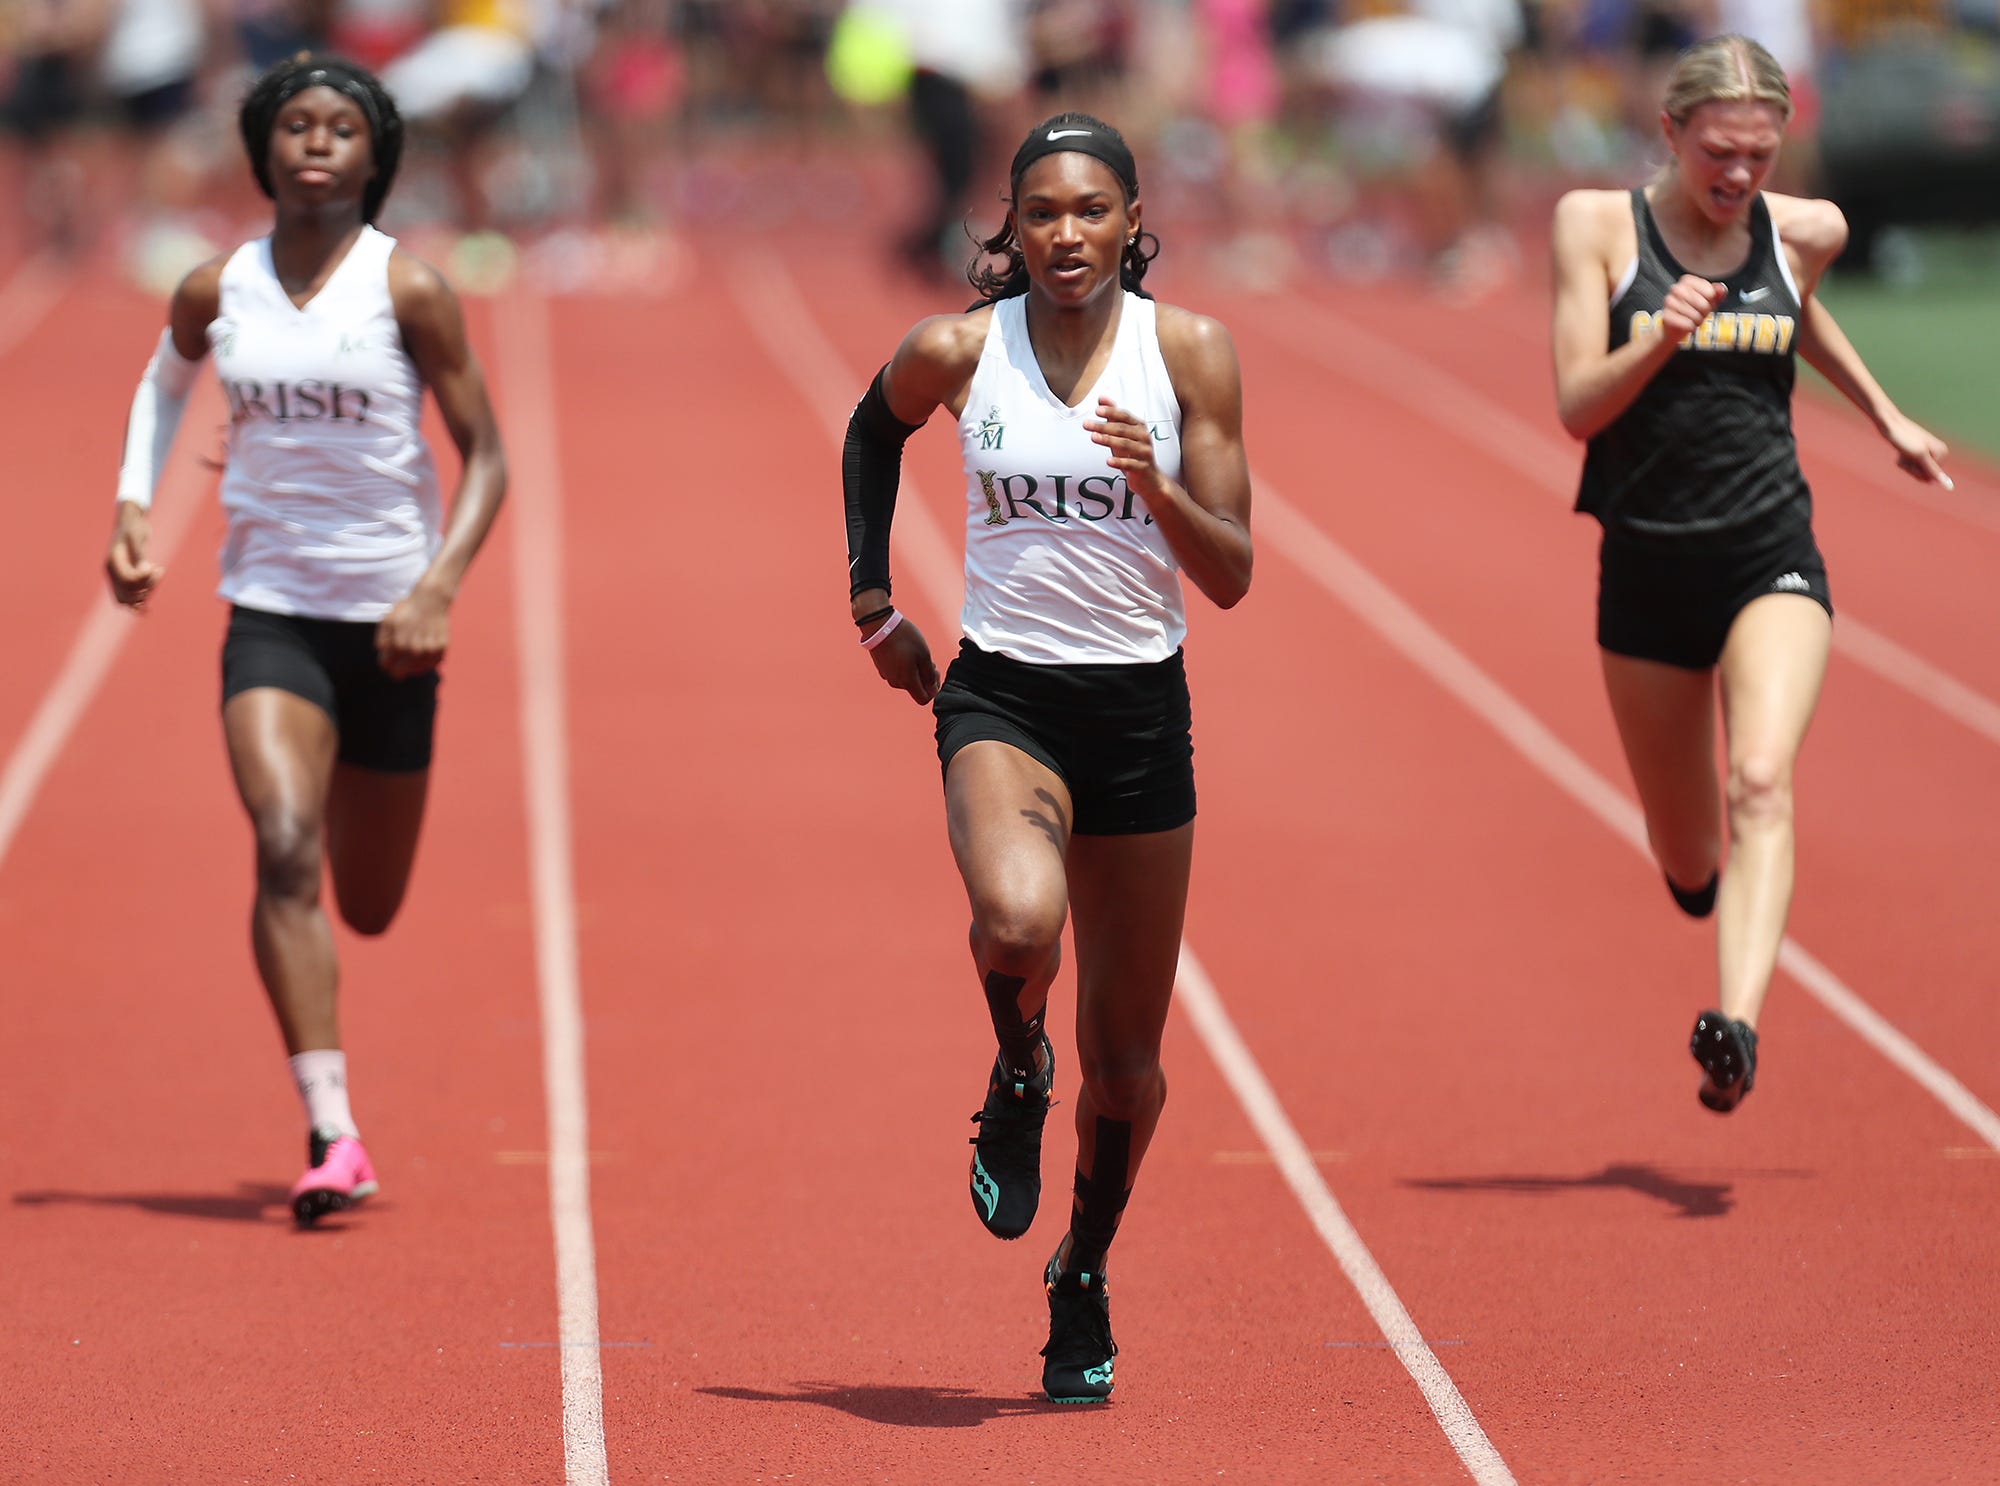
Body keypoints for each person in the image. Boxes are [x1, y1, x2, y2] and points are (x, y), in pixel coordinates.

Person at [841, 112, 1252, 1401]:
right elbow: (868, 432)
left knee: (1129, 1066)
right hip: (1003, 693)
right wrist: (874, 606)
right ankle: (1017, 1065)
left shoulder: (1187, 353)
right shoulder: (962, 348)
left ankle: (1081, 1268)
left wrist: (1160, 487)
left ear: (1134, 221)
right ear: (1006, 229)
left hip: (1140, 715)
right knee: (1016, 918)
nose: (1064, 235)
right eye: (1039, 214)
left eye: (1089, 211)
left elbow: (1231, 574)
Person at [103, 54, 507, 1223]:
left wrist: (436, 588)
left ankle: (352, 798)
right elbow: (163, 385)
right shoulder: (214, 288)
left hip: (392, 630)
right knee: (284, 844)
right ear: (263, 150)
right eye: (295, 124)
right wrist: (135, 503)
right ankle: (333, 1127)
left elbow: (489, 456)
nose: (317, 141)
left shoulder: (411, 289)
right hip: (270, 608)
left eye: (341, 126)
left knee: (368, 901)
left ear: (375, 155)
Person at [1549, 34, 1949, 1114]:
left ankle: (1733, 1023)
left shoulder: (1802, 229)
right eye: (1717, 153)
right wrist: (1656, 337)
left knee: (1760, 780)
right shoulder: (1596, 226)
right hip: (1642, 566)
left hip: (1767, 548)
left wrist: (1882, 415)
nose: (1735, 178)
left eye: (1758, 159)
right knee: (1687, 857)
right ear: (1670, 132)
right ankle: (1704, 896)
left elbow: (1792, 305)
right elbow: (1574, 405)